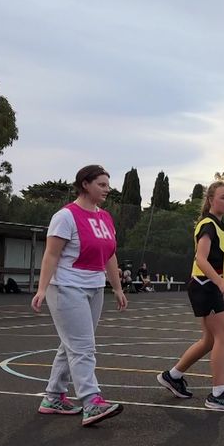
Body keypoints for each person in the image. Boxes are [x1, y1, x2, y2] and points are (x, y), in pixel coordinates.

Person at [32, 165, 127, 427]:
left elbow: (109, 255)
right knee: (83, 347)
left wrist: (116, 287)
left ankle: (52, 397)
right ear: (85, 184)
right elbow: (51, 255)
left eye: (108, 185)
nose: (107, 190)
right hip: (66, 287)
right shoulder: (65, 217)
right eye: (102, 185)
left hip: (94, 287)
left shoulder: (105, 218)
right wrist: (42, 289)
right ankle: (91, 400)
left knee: (72, 345)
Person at [156, 181, 224, 410]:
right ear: (210, 200)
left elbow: (215, 260)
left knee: (209, 340)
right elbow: (200, 259)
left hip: (207, 284)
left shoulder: (218, 226)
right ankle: (218, 394)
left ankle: (173, 376)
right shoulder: (208, 225)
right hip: (205, 286)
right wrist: (220, 283)